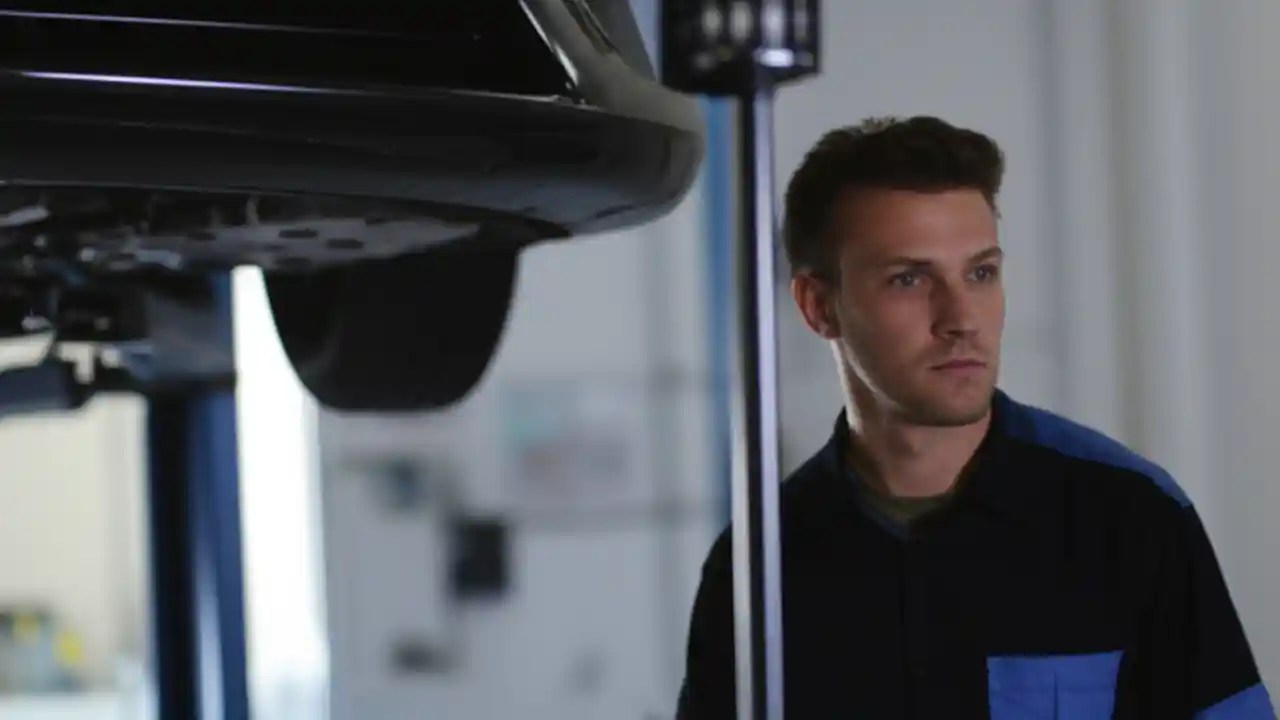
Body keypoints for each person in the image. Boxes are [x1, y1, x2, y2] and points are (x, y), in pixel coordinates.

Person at [676, 116, 1274, 719]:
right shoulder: (759, 568)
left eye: (981, 273)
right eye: (909, 279)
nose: (961, 317)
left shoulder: (1130, 518)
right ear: (818, 306)